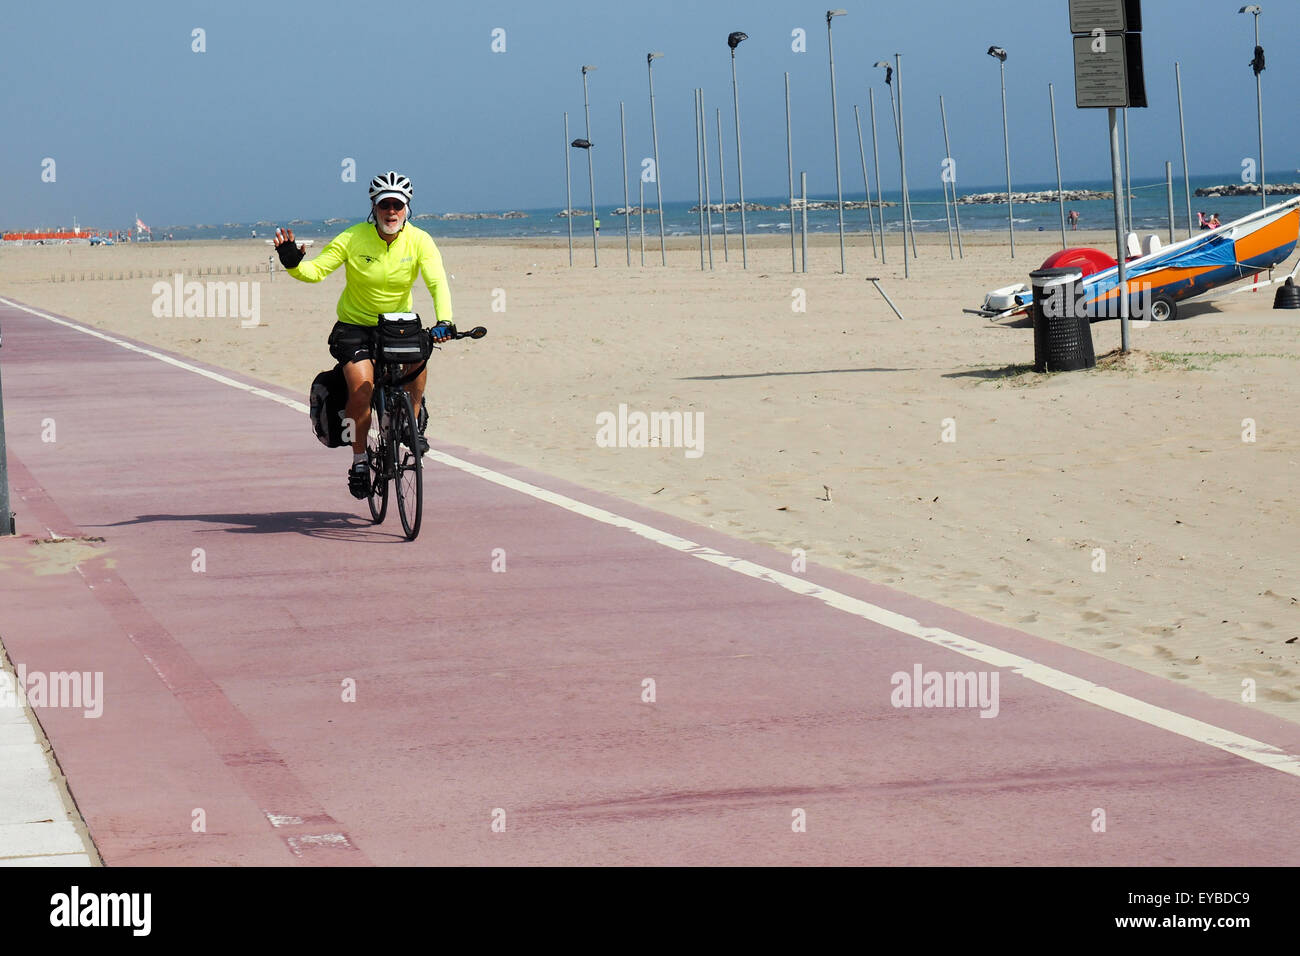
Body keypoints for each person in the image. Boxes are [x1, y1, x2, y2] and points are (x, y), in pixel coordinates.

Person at [274, 170, 453, 500]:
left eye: (397, 205)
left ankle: (408, 425)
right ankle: (359, 461)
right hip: (354, 327)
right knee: (361, 388)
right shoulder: (353, 238)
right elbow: (315, 272)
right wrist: (293, 264)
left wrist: (445, 321)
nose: (391, 212)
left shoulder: (420, 241)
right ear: (374, 208)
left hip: (396, 324)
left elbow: (437, 282)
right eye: (385, 205)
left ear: (407, 209)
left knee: (420, 364)